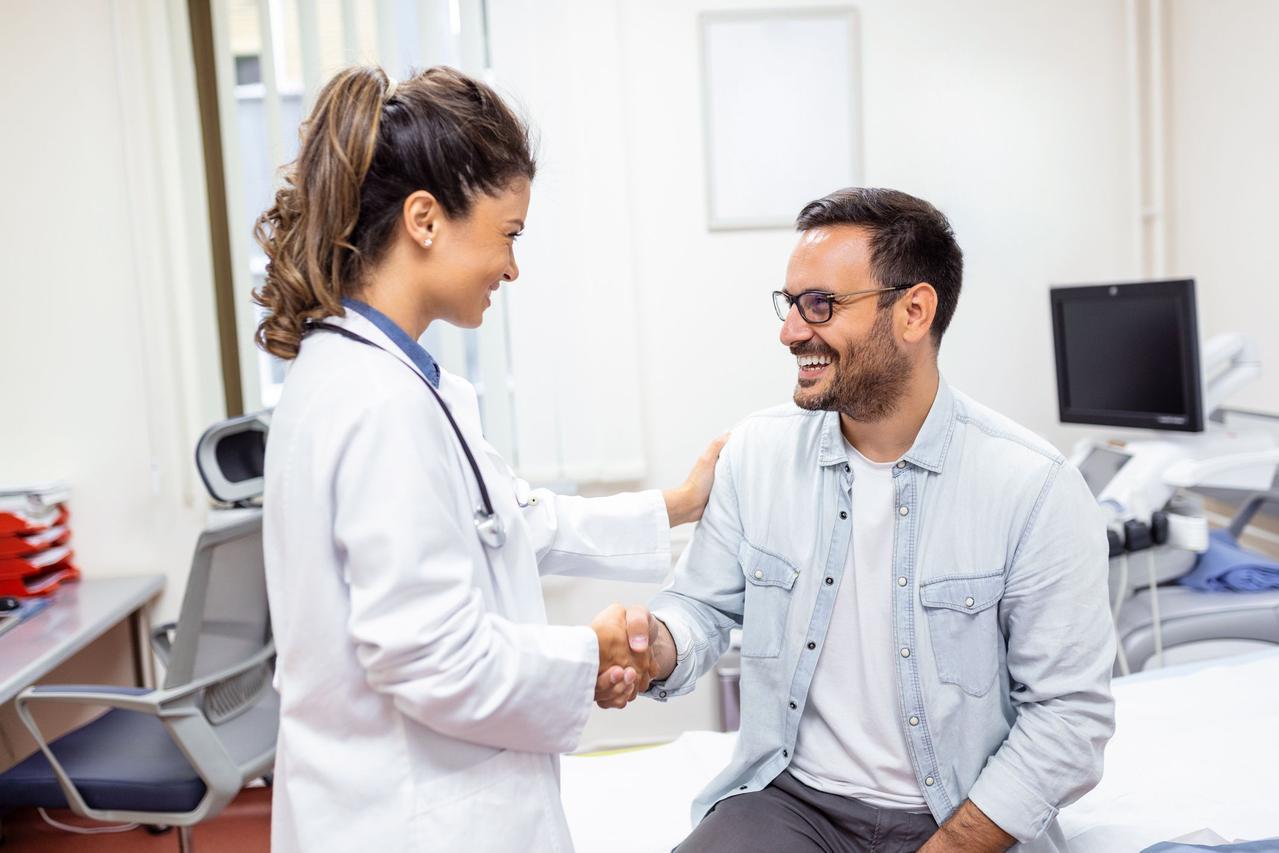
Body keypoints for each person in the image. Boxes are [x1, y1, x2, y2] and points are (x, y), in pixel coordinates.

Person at [255, 65, 722, 853]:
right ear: (425, 219)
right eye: (508, 234)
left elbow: (504, 520)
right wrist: (589, 652)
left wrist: (678, 502)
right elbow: (429, 658)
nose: (512, 267)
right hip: (408, 818)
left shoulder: (368, 376)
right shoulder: (381, 404)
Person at [624, 188, 1116, 852]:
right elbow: (700, 608)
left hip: (957, 813)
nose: (790, 330)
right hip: (791, 803)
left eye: (820, 304)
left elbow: (1067, 720)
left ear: (913, 311)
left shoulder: (1032, 488)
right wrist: (653, 648)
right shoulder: (755, 455)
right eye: (790, 303)